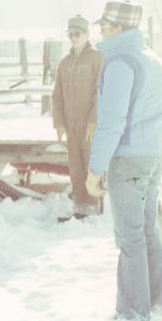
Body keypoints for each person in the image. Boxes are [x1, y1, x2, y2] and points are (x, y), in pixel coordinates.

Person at [86, 0, 162, 321]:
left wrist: (95, 170)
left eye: (104, 27)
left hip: (129, 159)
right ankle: (158, 303)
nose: (100, 33)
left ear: (119, 29)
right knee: (148, 231)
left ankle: (134, 312)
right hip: (153, 155)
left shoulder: (121, 64)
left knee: (130, 236)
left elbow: (111, 123)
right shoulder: (153, 60)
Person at [51, 14, 104, 221]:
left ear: (87, 35)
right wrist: (59, 123)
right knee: (75, 168)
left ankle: (94, 209)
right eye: (71, 34)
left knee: (92, 166)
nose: (74, 38)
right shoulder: (64, 63)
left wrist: (94, 120)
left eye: (78, 34)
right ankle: (80, 208)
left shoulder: (96, 59)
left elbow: (102, 92)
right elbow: (57, 96)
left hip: (90, 126)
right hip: (71, 126)